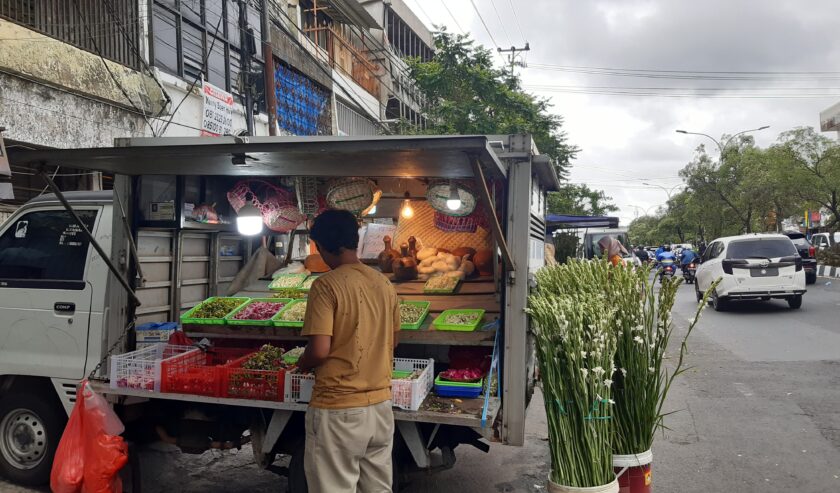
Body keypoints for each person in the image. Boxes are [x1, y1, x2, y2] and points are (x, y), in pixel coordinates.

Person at [298, 209, 400, 493]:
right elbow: (394, 339)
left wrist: (302, 363)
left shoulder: (326, 286)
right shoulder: (383, 282)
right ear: (355, 241)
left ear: (322, 246)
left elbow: (319, 351)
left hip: (338, 410)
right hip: (380, 407)